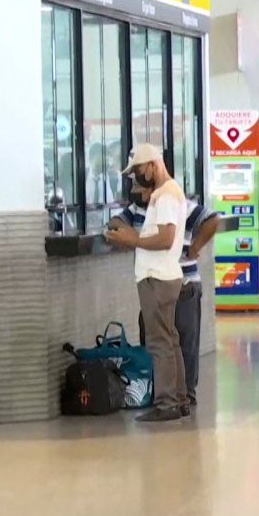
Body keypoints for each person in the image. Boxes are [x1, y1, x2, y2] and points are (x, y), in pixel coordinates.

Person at [112, 180, 220, 409]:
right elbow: (115, 222)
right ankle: (169, 394)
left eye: (137, 186)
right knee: (162, 343)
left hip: (185, 283)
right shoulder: (138, 208)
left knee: (183, 343)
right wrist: (133, 235)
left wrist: (195, 247)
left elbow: (213, 220)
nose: (133, 191)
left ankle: (184, 395)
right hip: (156, 282)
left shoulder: (177, 204)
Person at [103, 143, 188, 422]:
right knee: (170, 340)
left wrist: (133, 240)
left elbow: (166, 239)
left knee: (160, 342)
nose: (136, 177)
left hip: (157, 278)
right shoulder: (166, 194)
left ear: (152, 164)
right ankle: (180, 399)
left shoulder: (165, 196)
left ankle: (166, 405)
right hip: (164, 276)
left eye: (138, 170)